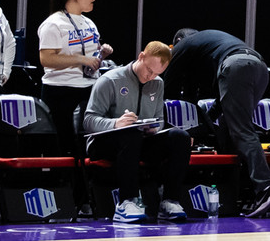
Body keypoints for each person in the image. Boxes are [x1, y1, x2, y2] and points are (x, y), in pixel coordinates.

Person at [166, 28, 270, 217]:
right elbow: (221, 101)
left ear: (179, 41)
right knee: (231, 128)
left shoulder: (184, 45)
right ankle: (234, 195)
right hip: (260, 67)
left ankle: (265, 188)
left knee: (242, 131)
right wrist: (208, 121)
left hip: (236, 66)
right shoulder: (209, 44)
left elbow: (167, 84)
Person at [83, 41, 193, 223]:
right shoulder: (110, 80)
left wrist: (153, 128)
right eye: (149, 70)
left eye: (158, 73)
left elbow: (159, 119)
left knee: (180, 137)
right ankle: (127, 202)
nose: (151, 77)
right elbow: (88, 121)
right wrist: (116, 123)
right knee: (130, 134)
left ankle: (169, 201)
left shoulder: (157, 84)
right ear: (141, 57)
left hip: (139, 140)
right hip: (106, 142)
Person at [37, 0, 112, 156]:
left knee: (89, 143)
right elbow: (46, 59)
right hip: (61, 92)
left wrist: (102, 53)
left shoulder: (89, 22)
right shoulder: (54, 23)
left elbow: (90, 56)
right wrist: (81, 59)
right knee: (65, 146)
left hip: (89, 88)